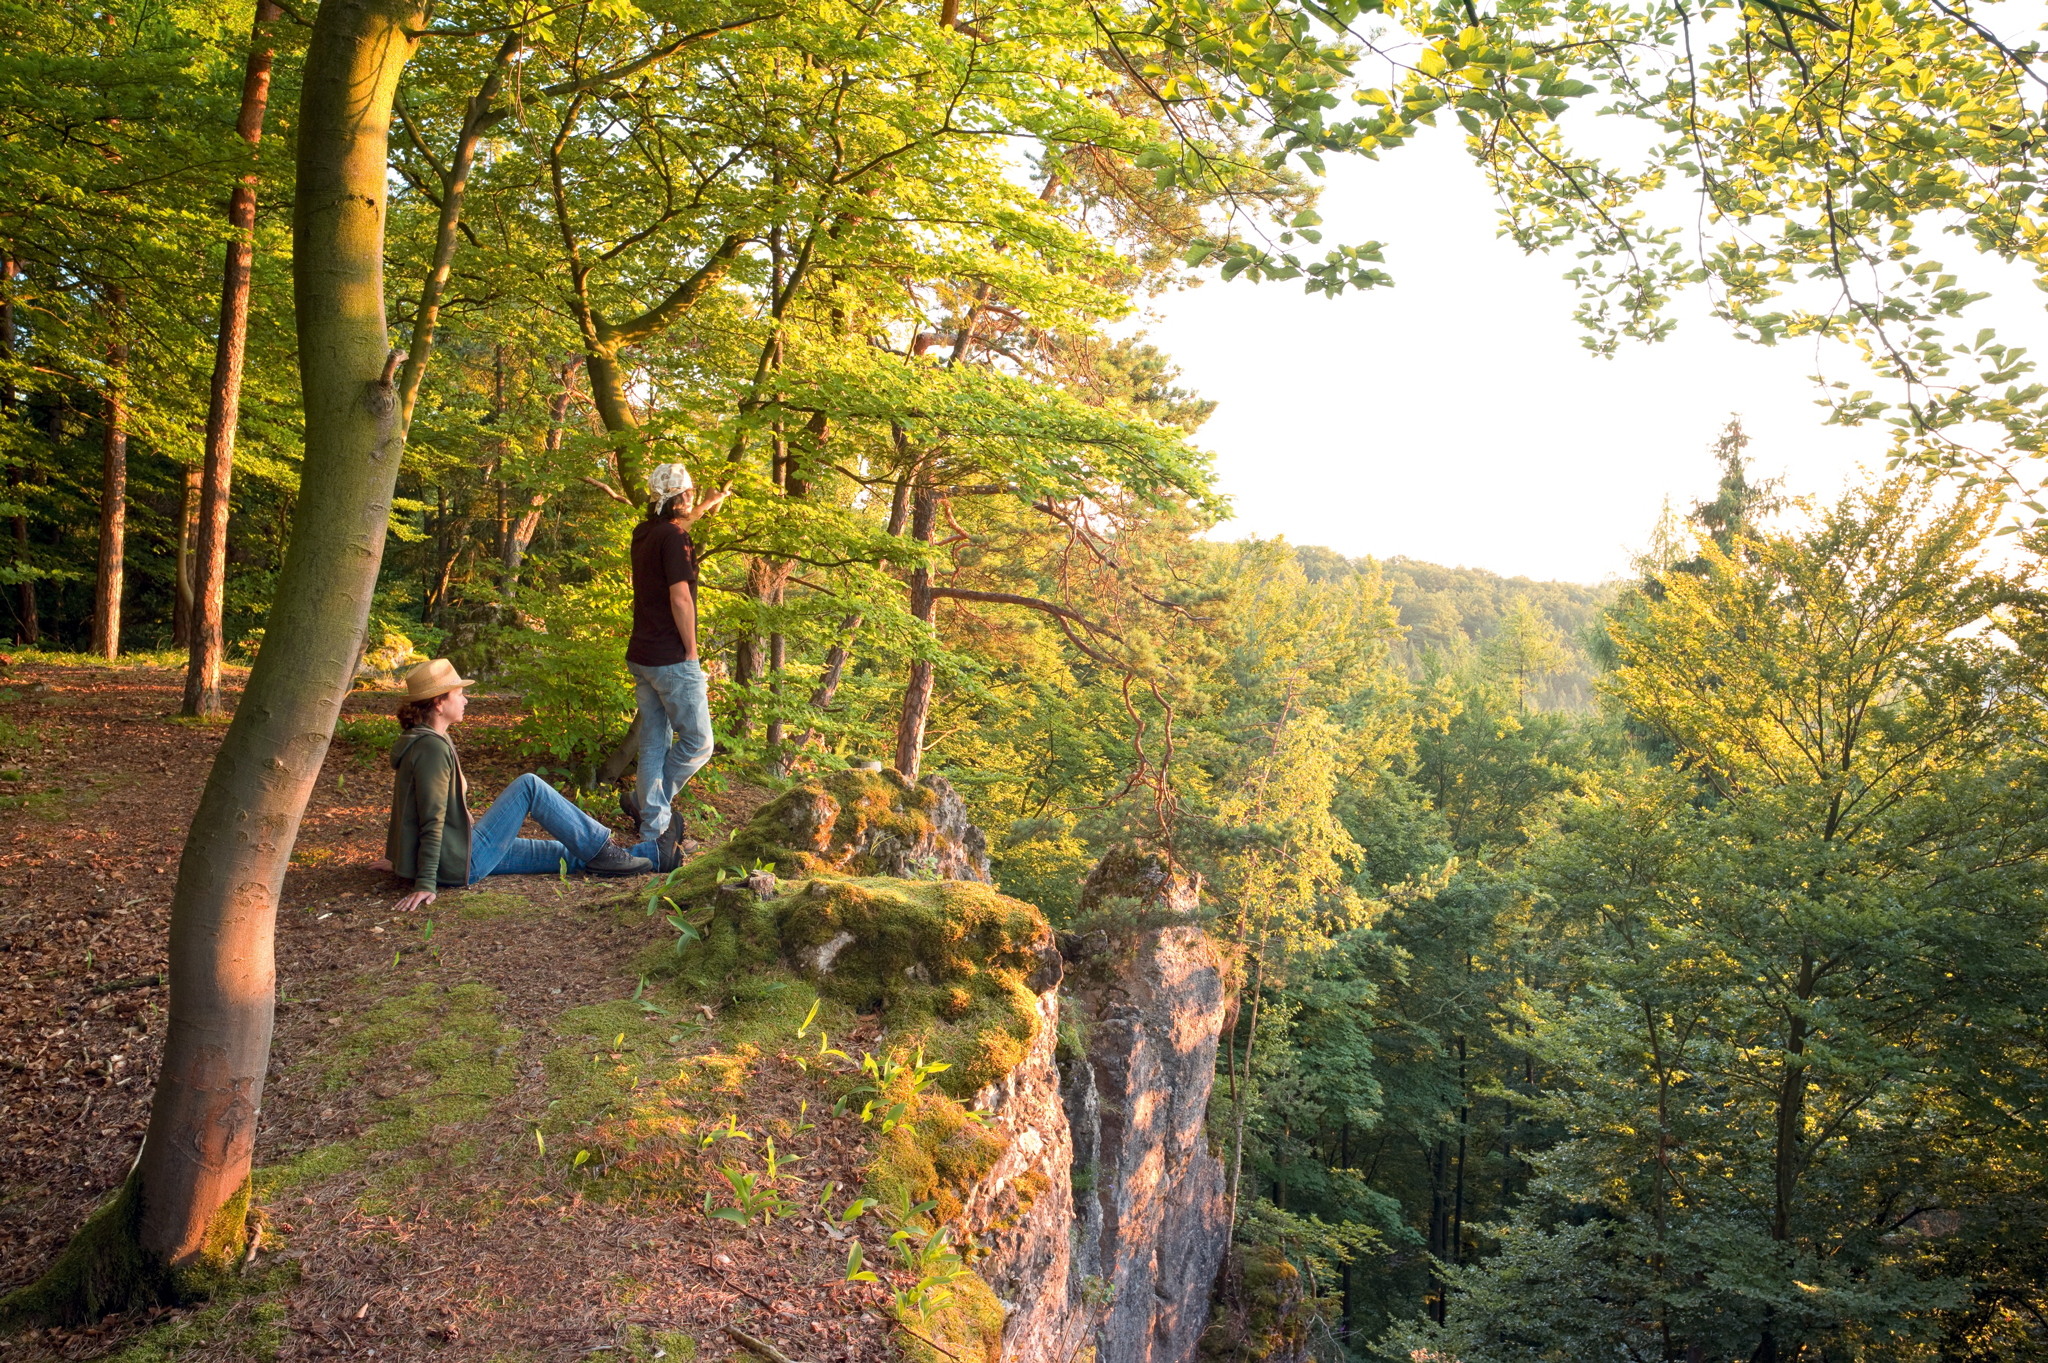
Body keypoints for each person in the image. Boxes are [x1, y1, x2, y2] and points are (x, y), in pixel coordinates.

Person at [373, 658, 652, 912]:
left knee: (565, 852)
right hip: (463, 861)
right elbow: (431, 819)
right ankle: (604, 850)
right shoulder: (431, 749)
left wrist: (403, 860)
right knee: (529, 786)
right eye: (459, 694)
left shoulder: (420, 741)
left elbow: (408, 807)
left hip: (461, 850)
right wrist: (424, 881)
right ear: (438, 703)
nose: (466, 700)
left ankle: (657, 855)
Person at [625, 461, 729, 870]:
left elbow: (678, 522)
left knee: (653, 741)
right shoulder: (676, 538)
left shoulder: (647, 532)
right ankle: (652, 809)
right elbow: (681, 598)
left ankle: (653, 829)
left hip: (642, 655)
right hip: (671, 658)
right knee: (699, 743)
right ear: (679, 499)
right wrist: (692, 650)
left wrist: (710, 503)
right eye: (690, 494)